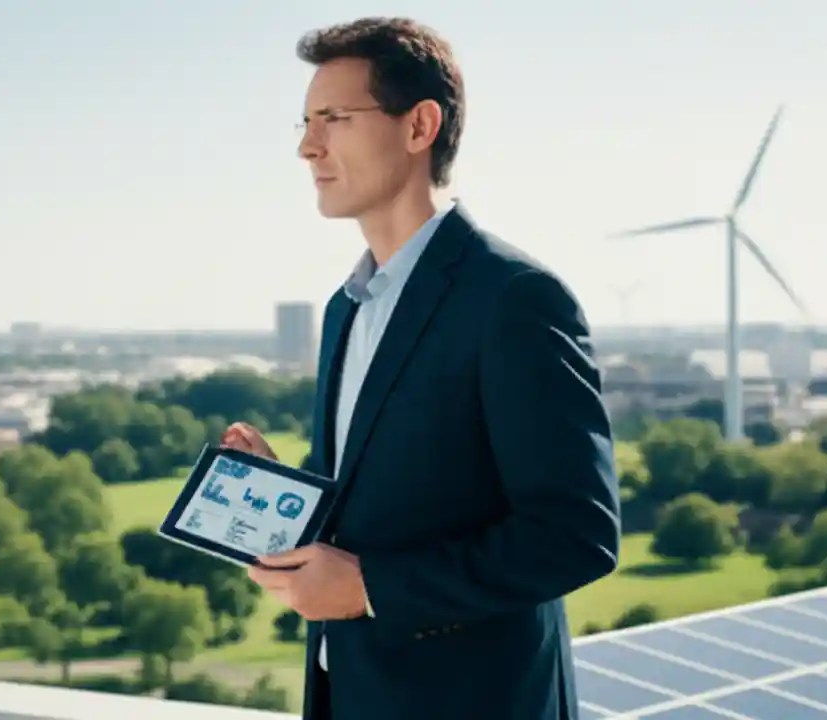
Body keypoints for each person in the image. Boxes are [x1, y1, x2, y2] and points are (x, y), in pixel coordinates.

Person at [220, 16, 620, 720]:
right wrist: (288, 500)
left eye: (335, 119)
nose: (308, 146)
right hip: (350, 691)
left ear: (419, 125)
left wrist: (371, 588)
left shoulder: (514, 299)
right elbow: (391, 495)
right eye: (305, 123)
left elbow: (574, 536)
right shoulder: (346, 308)